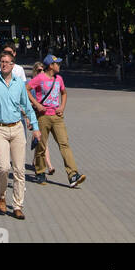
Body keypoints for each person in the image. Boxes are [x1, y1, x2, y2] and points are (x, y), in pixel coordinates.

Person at [0, 49, 40, 220]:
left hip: (17, 128)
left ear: (13, 65)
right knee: (3, 167)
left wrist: (35, 127)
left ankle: (18, 205)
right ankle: (1, 195)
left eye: (7, 62)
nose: (4, 64)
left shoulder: (19, 83)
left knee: (20, 170)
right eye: (2, 61)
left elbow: (27, 107)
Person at [29, 56, 85, 188]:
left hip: (57, 117)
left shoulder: (59, 79)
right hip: (43, 117)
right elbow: (26, 90)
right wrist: (37, 104)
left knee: (64, 144)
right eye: (57, 63)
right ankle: (40, 171)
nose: (59, 65)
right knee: (41, 146)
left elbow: (64, 93)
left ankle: (73, 175)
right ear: (50, 66)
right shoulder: (40, 78)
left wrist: (62, 107)